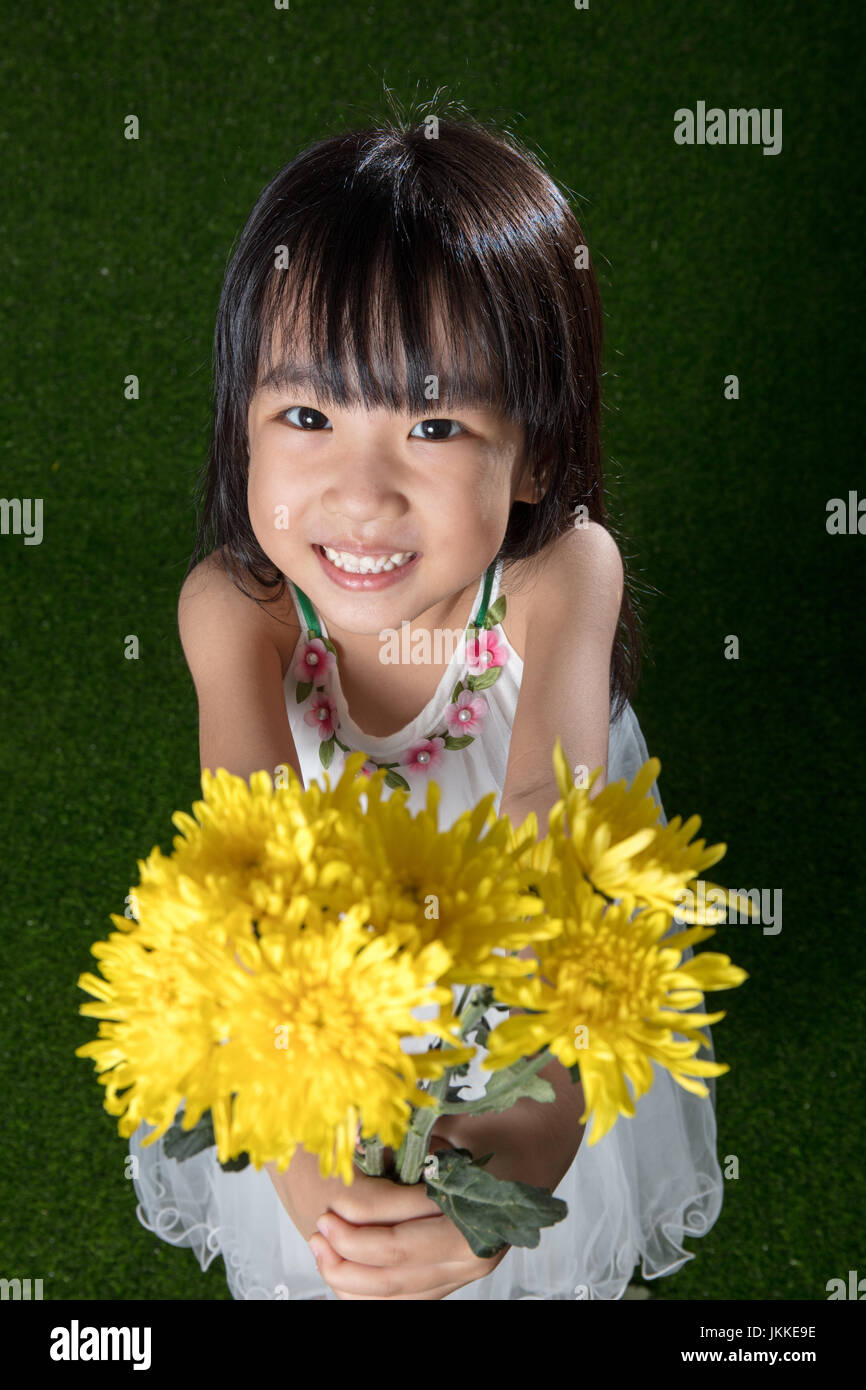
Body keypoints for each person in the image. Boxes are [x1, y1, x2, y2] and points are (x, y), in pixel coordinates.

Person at [129, 108, 724, 1300]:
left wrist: (542, 1122)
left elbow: (552, 833)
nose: (359, 494)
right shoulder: (229, 609)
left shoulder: (563, 577)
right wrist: (310, 1178)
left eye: (435, 424)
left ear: (538, 452)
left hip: (520, 921)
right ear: (242, 421)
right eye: (306, 416)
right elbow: (256, 890)